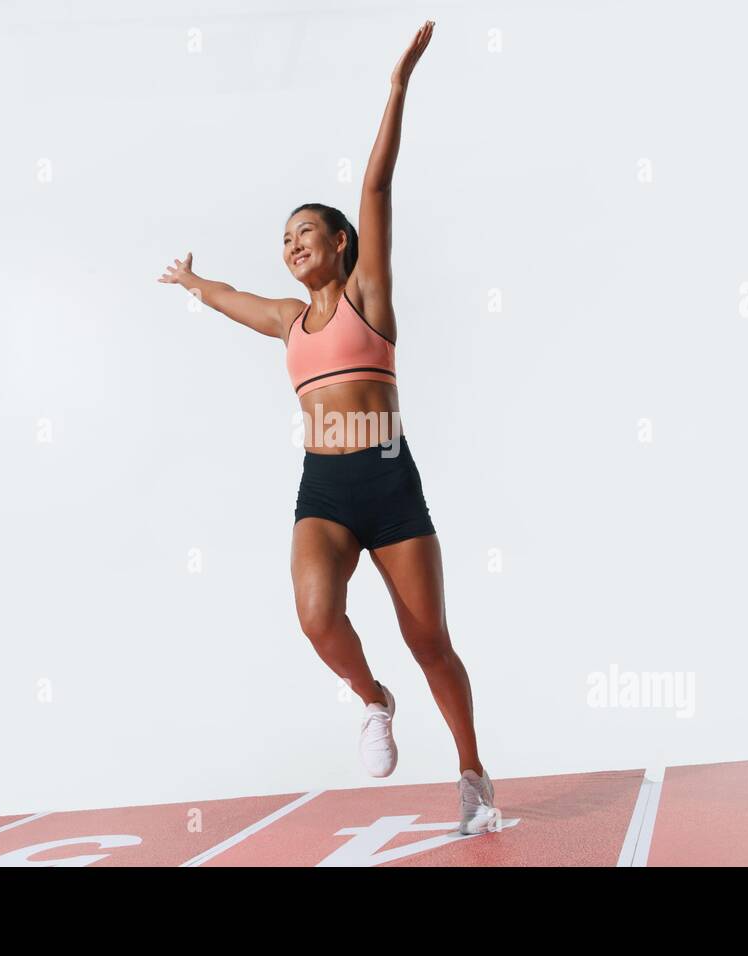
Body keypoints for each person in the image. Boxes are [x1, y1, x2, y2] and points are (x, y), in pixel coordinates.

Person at [158, 21, 496, 836]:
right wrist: (196, 281)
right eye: (284, 240)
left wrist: (397, 89)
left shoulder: (365, 298)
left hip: (389, 481)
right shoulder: (288, 322)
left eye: (304, 232)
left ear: (338, 243)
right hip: (326, 487)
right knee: (315, 614)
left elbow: (376, 189)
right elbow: (235, 296)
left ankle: (473, 773)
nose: (291, 246)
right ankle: (373, 699)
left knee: (432, 642)